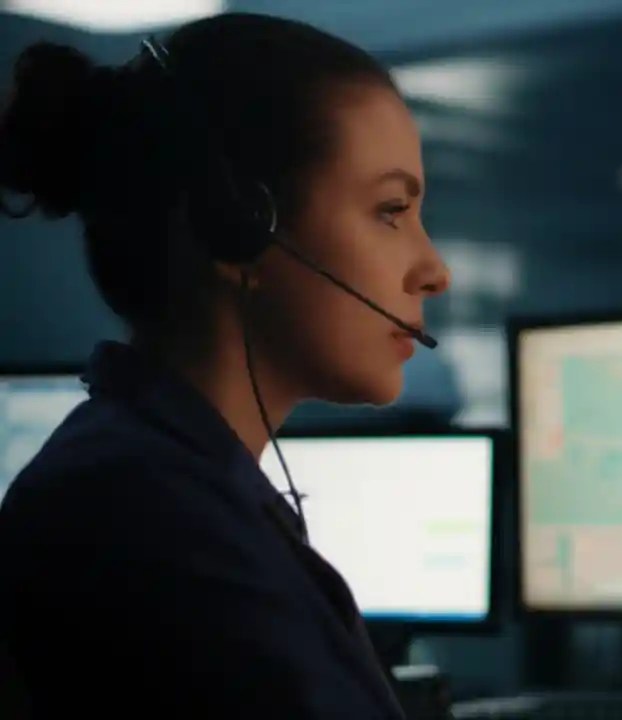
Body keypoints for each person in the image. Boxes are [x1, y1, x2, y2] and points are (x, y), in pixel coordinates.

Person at [0, 12, 450, 718]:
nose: (434, 271)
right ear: (234, 223)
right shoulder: (152, 529)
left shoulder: (164, 482)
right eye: (390, 210)